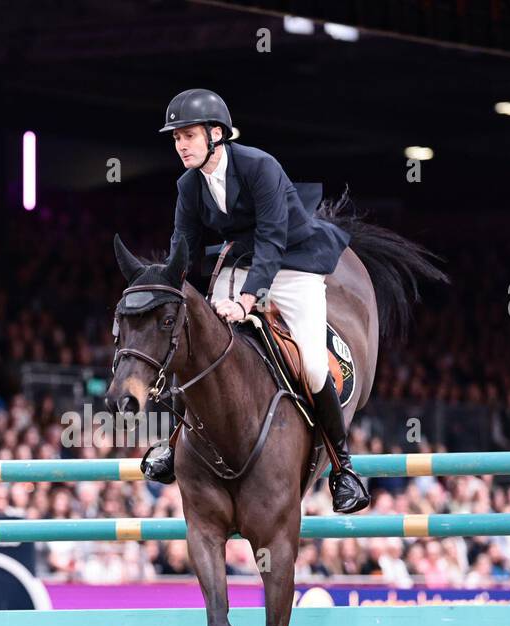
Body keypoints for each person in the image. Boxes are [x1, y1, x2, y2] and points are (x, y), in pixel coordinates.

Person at [146, 88, 368, 513]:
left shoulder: (259, 167)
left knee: (314, 364)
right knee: (193, 341)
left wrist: (247, 301)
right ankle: (172, 443)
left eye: (187, 135)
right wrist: (163, 285)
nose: (180, 146)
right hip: (242, 261)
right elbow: (184, 247)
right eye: (176, 138)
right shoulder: (188, 186)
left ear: (216, 134)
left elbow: (272, 239)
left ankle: (344, 469)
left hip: (292, 263)